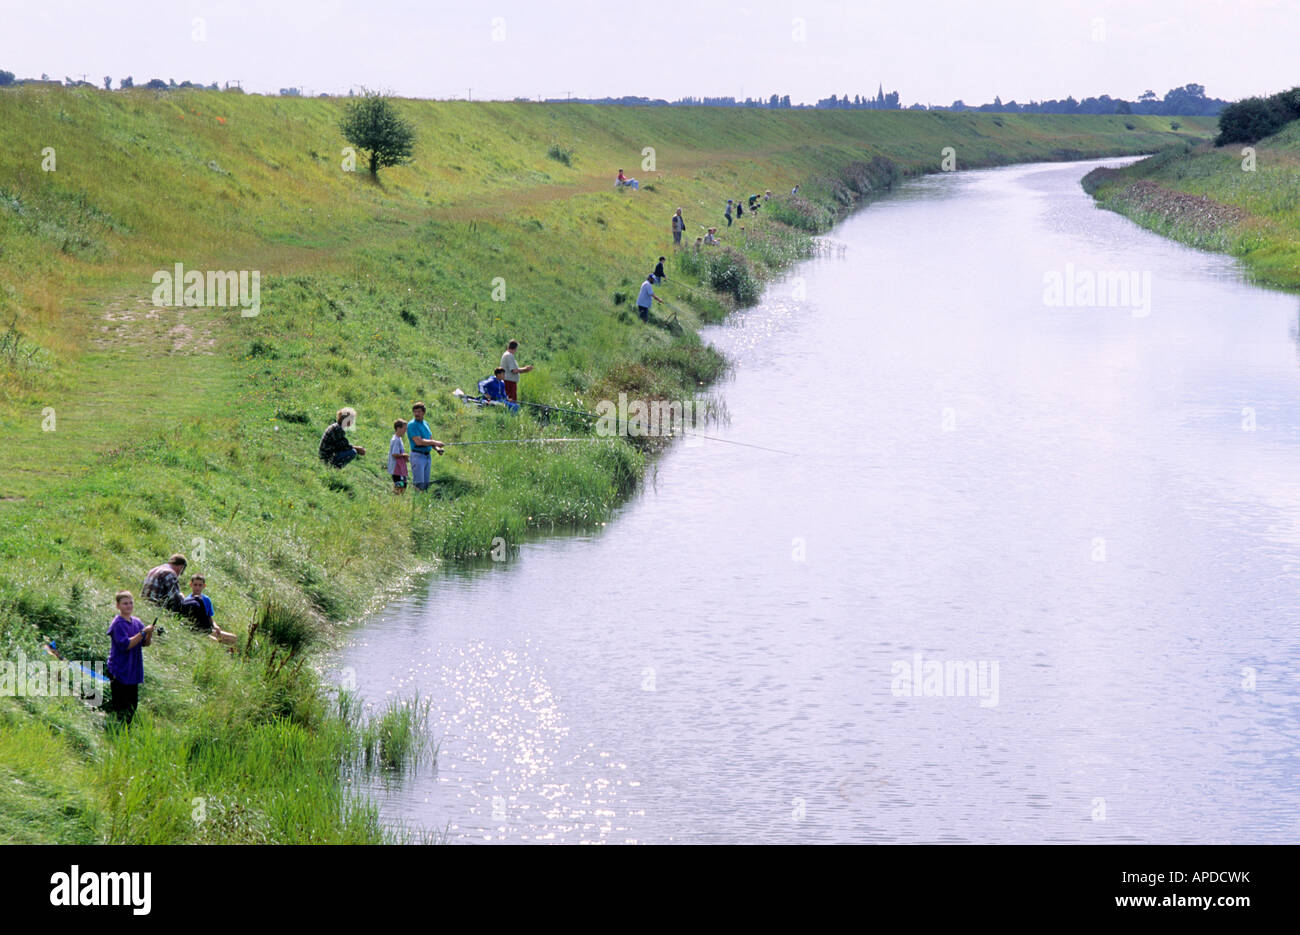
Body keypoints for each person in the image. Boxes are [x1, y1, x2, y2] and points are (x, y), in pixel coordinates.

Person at [106, 591, 153, 724]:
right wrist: (143, 632)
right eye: (125, 603)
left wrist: (149, 634)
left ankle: (126, 729)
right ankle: (115, 729)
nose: (128, 606)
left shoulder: (137, 622)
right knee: (120, 706)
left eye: (130, 603)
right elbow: (126, 645)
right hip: (119, 670)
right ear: (118, 606)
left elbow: (145, 643)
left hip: (133, 671)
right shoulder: (117, 624)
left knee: (133, 705)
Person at [143, 553, 215, 631]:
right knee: (197, 601)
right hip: (159, 605)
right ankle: (205, 629)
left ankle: (202, 627)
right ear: (181, 567)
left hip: (148, 602)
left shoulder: (155, 569)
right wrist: (182, 596)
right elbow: (176, 599)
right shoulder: (170, 573)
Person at [187, 574, 238, 644]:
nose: (197, 588)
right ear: (191, 585)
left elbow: (209, 617)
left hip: (208, 629)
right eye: (195, 585)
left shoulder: (206, 599)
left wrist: (215, 626)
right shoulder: (188, 600)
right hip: (197, 630)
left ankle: (229, 652)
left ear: (204, 586)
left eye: (200, 585)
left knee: (233, 638)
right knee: (214, 642)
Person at [406, 402, 445, 492]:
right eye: (415, 412)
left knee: (426, 483)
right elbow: (419, 442)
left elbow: (430, 440)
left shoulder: (425, 424)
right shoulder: (412, 425)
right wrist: (436, 442)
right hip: (417, 456)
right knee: (419, 484)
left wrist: (437, 448)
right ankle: (417, 502)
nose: (416, 414)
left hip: (427, 456)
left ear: (423, 413)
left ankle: (423, 501)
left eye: (419, 412)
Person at [388, 419, 409, 493]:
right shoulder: (396, 440)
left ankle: (397, 497)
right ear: (398, 428)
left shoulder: (399, 439)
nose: (405, 431)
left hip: (399, 468)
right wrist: (404, 455)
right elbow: (394, 454)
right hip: (396, 468)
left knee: (403, 483)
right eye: (404, 429)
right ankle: (396, 497)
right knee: (401, 484)